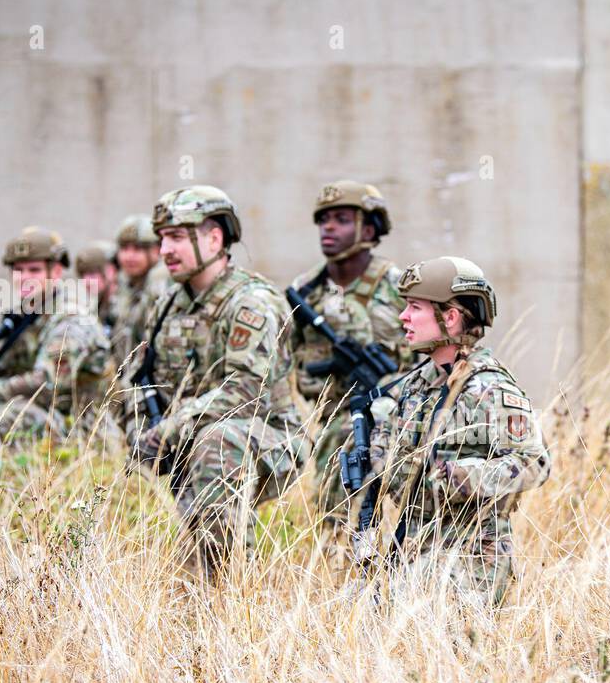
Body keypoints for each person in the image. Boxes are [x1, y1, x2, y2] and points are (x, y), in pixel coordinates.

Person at [125, 185, 305, 574]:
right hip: (193, 438)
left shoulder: (249, 302)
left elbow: (244, 391)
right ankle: (204, 597)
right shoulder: (167, 304)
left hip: (270, 438)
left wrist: (171, 428)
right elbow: (138, 375)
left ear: (214, 238)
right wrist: (139, 427)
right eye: (161, 239)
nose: (164, 251)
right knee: (191, 542)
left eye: (175, 237)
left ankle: (233, 587)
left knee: (217, 442)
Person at [365, 256, 550, 608]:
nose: (403, 317)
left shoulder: (490, 388)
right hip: (412, 548)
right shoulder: (416, 385)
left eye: (415, 307)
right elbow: (392, 450)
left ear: (449, 317)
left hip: (470, 559)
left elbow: (535, 462)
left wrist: (461, 478)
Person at [287, 180, 408, 527]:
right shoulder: (305, 292)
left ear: (368, 228)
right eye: (323, 219)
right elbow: (285, 360)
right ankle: (338, 562)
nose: (328, 227)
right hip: (335, 419)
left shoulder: (399, 286)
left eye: (341, 219)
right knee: (337, 519)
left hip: (399, 416)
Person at [0, 226, 114, 441]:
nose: (25, 278)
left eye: (34, 270)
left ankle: (45, 472)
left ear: (56, 272)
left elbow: (46, 383)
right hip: (61, 418)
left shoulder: (71, 318)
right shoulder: (31, 313)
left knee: (8, 413)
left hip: (89, 431)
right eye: (19, 270)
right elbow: (10, 366)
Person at [110, 213, 171, 366]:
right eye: (124, 248)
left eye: (138, 249)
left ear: (157, 250)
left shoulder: (160, 279)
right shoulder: (127, 283)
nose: (129, 256)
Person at [74, 240, 118, 329]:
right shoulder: (98, 305)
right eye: (83, 275)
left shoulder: (121, 307)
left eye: (92, 274)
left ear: (111, 271)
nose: (86, 281)